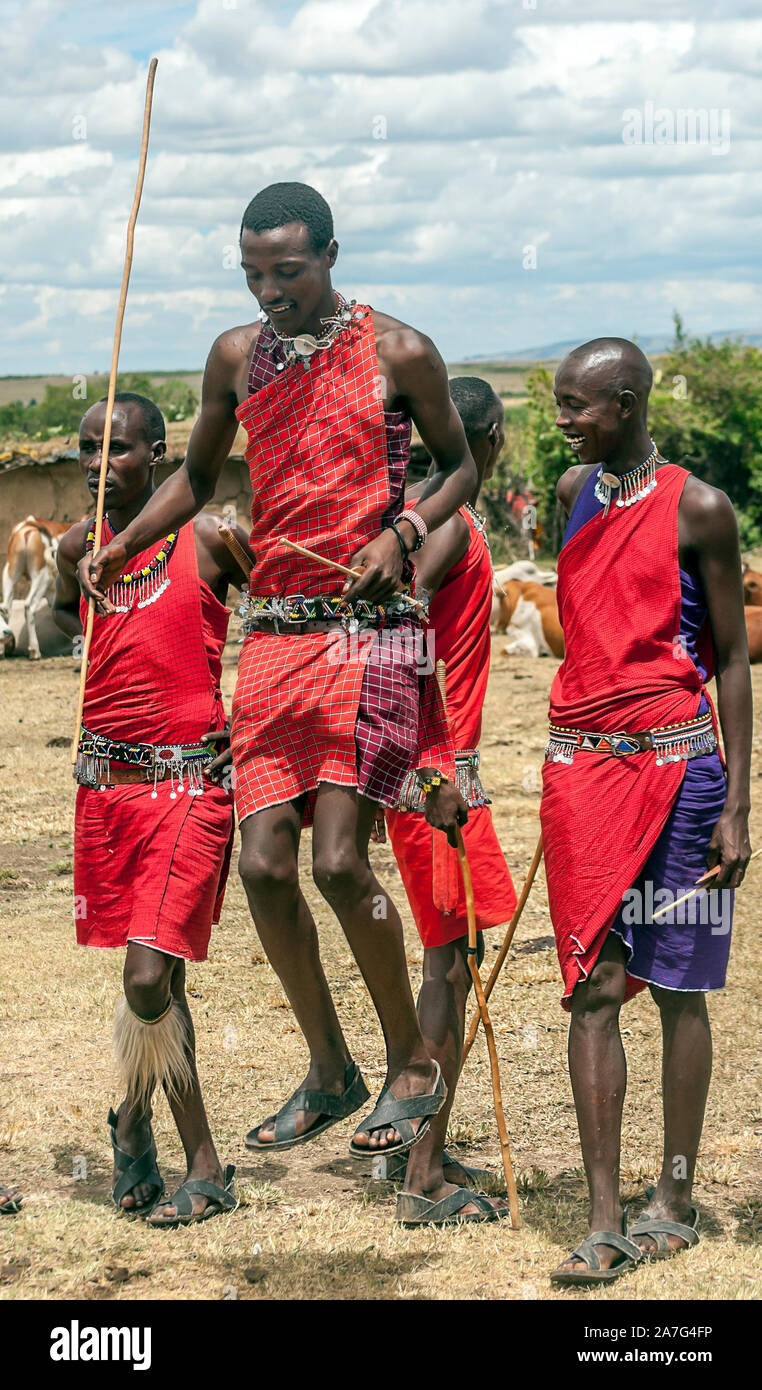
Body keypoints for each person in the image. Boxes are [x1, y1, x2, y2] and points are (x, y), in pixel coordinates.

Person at [77, 183, 477, 1166]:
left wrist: (404, 529)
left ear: (331, 254)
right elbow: (200, 478)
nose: (270, 292)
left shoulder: (400, 352)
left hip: (366, 633)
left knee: (340, 861)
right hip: (276, 640)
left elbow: (458, 466)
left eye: (288, 272)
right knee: (261, 865)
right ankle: (332, 1067)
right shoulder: (234, 357)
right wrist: (122, 538)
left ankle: (411, 1065)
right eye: (254, 274)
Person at [541, 338, 751, 1285]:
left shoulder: (700, 508)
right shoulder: (571, 494)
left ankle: (673, 1192)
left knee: (678, 988)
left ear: (624, 402)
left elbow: (736, 661)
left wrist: (738, 805)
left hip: (686, 781)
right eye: (556, 404)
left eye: (577, 406)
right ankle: (600, 1217)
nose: (562, 420)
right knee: (593, 986)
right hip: (584, 780)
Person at [55, 392, 250, 1225]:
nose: (101, 463)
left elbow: (282, 618)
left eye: (121, 449)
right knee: (157, 974)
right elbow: (70, 622)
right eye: (89, 448)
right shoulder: (75, 551)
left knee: (146, 978)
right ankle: (135, 1131)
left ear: (162, 453)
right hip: (106, 794)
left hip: (190, 785)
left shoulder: (207, 539)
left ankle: (199, 1162)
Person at [378, 375, 518, 1225]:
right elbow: (398, 624)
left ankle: (423, 1143)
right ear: (490, 438)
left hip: (420, 768)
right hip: (438, 775)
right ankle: (422, 1175)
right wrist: (430, 768)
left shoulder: (415, 512)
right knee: (448, 966)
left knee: (449, 960)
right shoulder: (449, 523)